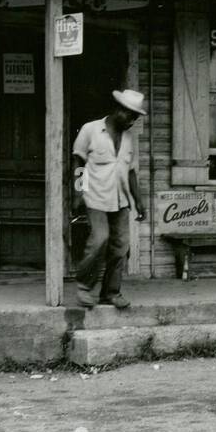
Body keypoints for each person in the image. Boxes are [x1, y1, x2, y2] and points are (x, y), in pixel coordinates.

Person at [72, 89, 146, 309]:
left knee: (121, 246)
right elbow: (78, 163)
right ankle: (84, 287)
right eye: (130, 115)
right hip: (95, 197)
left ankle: (110, 293)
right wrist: (78, 193)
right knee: (100, 239)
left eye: (135, 117)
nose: (132, 121)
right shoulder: (91, 130)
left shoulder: (129, 138)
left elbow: (130, 172)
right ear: (118, 110)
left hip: (121, 200)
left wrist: (138, 200)